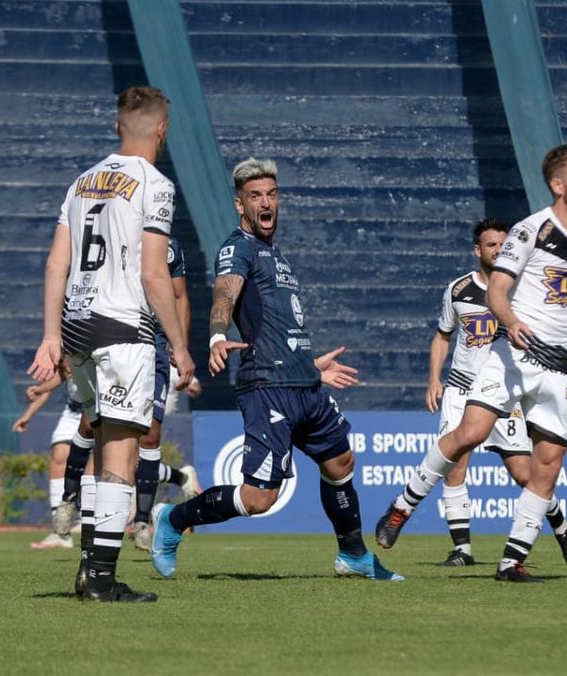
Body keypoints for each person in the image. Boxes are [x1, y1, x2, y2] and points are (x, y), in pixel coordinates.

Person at [376, 144, 567, 582]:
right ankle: (401, 508)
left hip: (565, 369)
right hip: (514, 355)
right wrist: (509, 322)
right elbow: (497, 291)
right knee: (469, 433)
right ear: (557, 184)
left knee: (543, 469)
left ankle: (512, 561)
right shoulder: (530, 232)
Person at [149, 157, 400, 581]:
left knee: (340, 462)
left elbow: (279, 325)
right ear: (239, 205)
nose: (265, 202)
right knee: (258, 499)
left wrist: (310, 365)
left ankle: (353, 556)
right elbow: (224, 297)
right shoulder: (238, 248)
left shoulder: (276, 255)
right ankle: (172, 521)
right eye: (254, 196)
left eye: (271, 194)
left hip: (303, 382)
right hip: (268, 387)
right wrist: (215, 335)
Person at [29, 86, 194, 603]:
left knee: (100, 448)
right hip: (123, 329)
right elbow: (152, 273)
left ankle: (87, 570)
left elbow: (57, 262)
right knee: (122, 454)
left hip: (77, 328)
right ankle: (101, 580)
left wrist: (51, 334)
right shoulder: (155, 184)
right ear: (161, 130)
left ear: (119, 126)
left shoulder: (81, 182)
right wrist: (180, 347)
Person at [426, 218, 567, 567]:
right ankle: (462, 550)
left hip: (504, 391)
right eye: (491, 245)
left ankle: (562, 527)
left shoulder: (521, 290)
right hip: (463, 388)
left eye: (502, 244)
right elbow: (442, 335)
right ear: (477, 250)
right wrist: (434, 379)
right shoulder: (458, 290)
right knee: (454, 465)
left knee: (525, 475)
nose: (498, 250)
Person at [127, 235, 202, 551]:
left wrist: (179, 345)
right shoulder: (113, 232)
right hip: (115, 339)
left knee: (149, 436)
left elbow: (181, 296)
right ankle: (92, 520)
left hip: (153, 346)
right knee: (109, 441)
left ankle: (142, 521)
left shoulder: (168, 246)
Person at [10, 362, 91, 550]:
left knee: (94, 465)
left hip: (99, 409)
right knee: (58, 458)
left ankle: (89, 521)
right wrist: (28, 414)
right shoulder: (64, 343)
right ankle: (60, 531)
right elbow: (56, 378)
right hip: (73, 412)